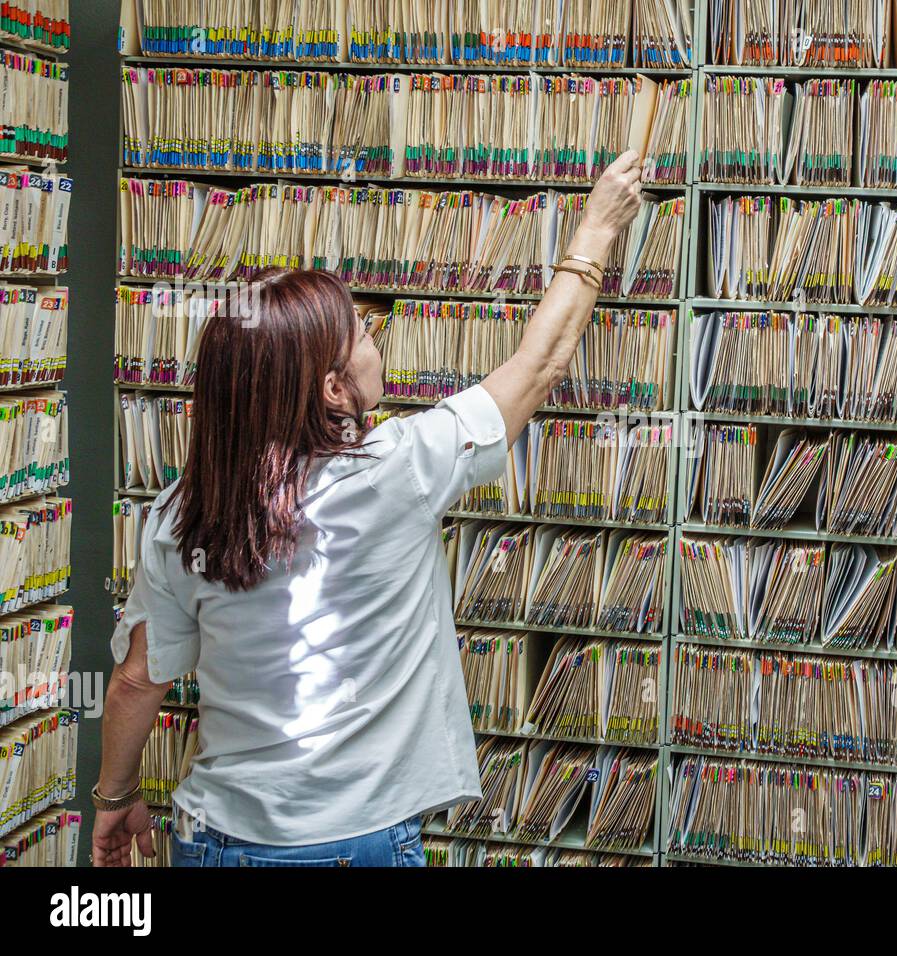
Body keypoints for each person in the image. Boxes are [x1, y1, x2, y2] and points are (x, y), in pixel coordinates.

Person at [91, 151, 645, 867]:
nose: (375, 338)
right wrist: (597, 228)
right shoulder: (398, 471)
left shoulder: (181, 511)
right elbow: (538, 368)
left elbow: (139, 679)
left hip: (215, 838)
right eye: (363, 332)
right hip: (354, 840)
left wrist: (115, 796)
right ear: (332, 388)